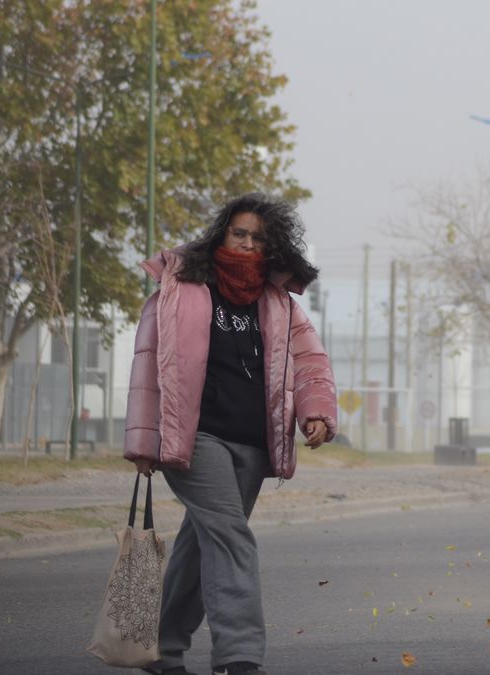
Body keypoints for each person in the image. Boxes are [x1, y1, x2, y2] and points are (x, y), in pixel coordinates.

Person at [124, 193, 338, 675]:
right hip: (195, 438)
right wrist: (143, 441)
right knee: (231, 537)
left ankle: (160, 647)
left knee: (204, 543)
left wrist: (317, 413)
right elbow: (148, 365)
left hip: (253, 444)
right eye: (238, 233)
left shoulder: (279, 302)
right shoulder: (181, 289)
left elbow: (309, 362)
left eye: (257, 238)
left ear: (271, 245)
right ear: (221, 233)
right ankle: (239, 655)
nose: (246, 243)